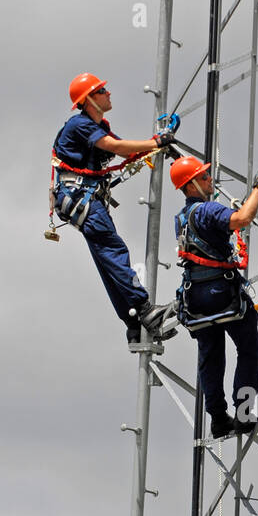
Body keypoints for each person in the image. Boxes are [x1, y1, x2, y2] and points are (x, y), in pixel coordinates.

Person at [52, 73, 177, 344]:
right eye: (101, 91)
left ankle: (134, 323)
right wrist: (157, 142)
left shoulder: (97, 125)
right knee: (114, 252)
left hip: (84, 200)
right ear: (88, 100)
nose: (108, 93)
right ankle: (144, 309)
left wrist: (157, 142)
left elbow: (126, 152)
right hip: (83, 200)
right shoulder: (80, 125)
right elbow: (115, 147)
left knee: (107, 261)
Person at [170, 155, 258, 440]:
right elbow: (242, 219)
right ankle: (244, 413)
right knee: (248, 349)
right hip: (222, 295)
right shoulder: (207, 210)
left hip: (196, 300)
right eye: (204, 177)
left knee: (210, 357)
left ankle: (217, 418)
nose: (210, 180)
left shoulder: (181, 218)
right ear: (191, 185)